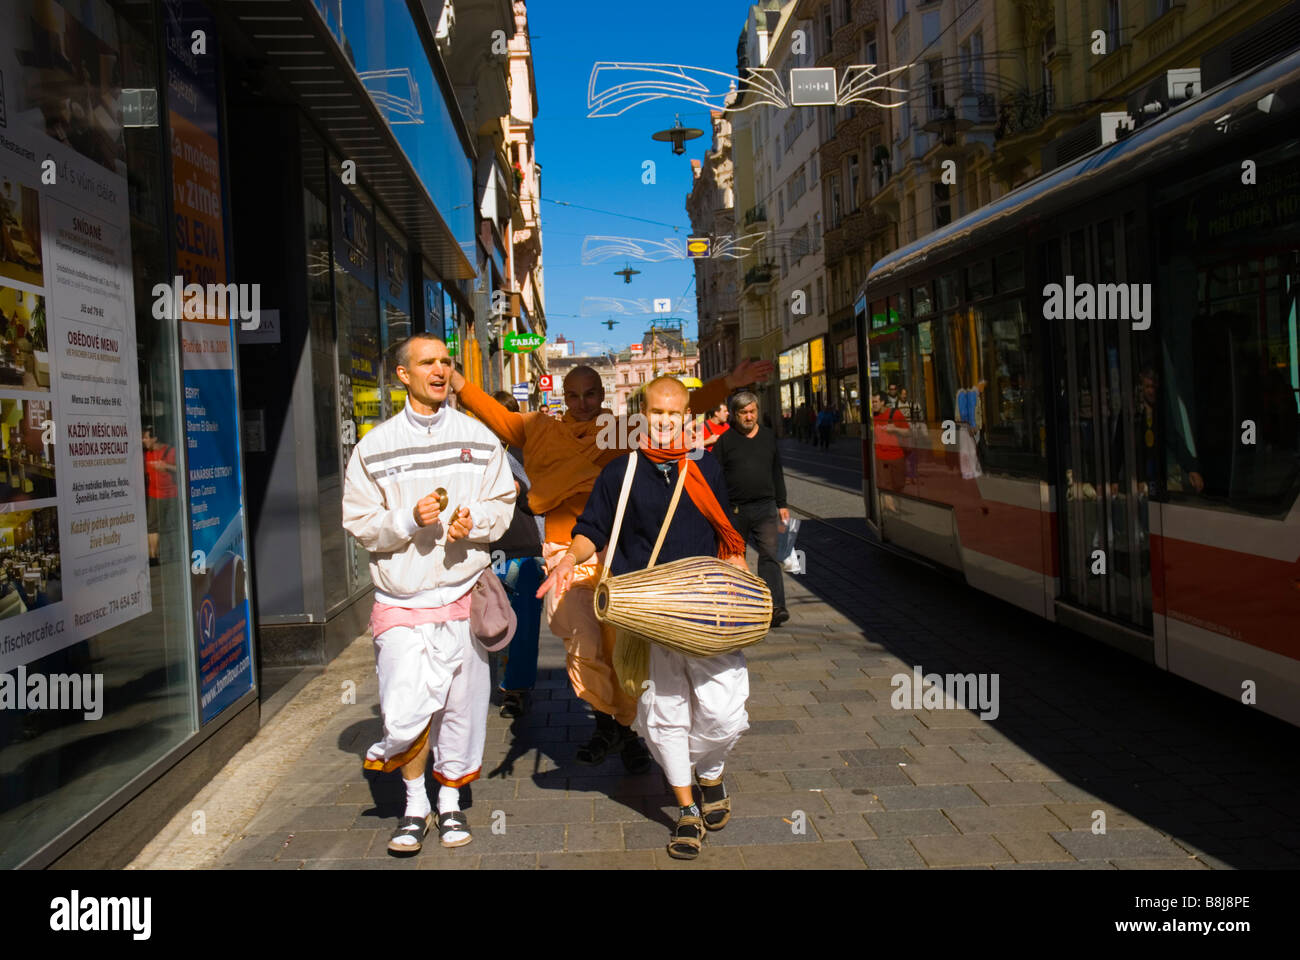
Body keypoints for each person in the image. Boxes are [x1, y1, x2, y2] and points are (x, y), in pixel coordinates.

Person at [449, 358, 771, 771]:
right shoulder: (539, 429)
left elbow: (673, 406)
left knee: (621, 647)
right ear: (562, 398)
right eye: (574, 395)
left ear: (603, 395)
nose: (582, 403)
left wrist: (728, 381)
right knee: (582, 642)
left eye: (591, 394)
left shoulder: (616, 431)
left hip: (616, 557)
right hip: (566, 554)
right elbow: (493, 412)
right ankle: (612, 719)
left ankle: (623, 725)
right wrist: (457, 380)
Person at [538, 377, 750, 861]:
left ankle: (711, 774)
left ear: (686, 418)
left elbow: (726, 529)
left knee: (724, 708)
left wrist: (736, 561)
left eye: (675, 414)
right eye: (657, 413)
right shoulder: (621, 471)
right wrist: (570, 559)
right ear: (641, 414)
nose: (666, 422)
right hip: (648, 613)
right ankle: (685, 808)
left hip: (704, 607)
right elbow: (592, 526)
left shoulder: (706, 467)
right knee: (664, 712)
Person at [342, 334, 516, 854]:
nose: (440, 370)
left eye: (445, 361)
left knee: (461, 709)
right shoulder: (374, 446)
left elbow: (503, 503)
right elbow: (358, 520)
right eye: (427, 363)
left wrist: (474, 521)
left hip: (463, 594)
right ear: (403, 375)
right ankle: (414, 802)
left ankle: (449, 803)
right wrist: (405, 520)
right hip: (402, 601)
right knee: (406, 710)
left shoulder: (479, 438)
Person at [711, 391, 790, 628]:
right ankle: (741, 609)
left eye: (752, 411)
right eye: (743, 412)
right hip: (735, 510)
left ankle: (776, 607)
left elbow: (776, 470)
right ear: (734, 415)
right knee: (735, 559)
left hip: (765, 507)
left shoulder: (767, 437)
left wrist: (782, 504)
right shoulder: (725, 441)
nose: (748, 416)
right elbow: (715, 477)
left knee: (770, 557)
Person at [489, 391, 545, 719]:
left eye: (505, 417)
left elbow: (544, 498)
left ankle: (516, 688)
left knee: (525, 625)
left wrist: (523, 487)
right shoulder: (476, 453)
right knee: (494, 621)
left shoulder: (531, 452)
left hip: (526, 548)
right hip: (490, 548)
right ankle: (498, 679)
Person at [142, 423, 177, 565]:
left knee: (171, 525)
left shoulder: (170, 451)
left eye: (145, 438)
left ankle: (173, 552)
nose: (143, 441)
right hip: (154, 495)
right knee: (152, 526)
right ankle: (153, 556)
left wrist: (166, 466)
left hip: (171, 495)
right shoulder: (146, 455)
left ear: (154, 438)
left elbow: (182, 468)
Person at [871, 393, 909, 491]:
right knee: (885, 488)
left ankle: (895, 505)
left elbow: (908, 432)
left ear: (883, 402)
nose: (873, 405)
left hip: (897, 457)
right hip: (881, 458)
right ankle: (888, 505)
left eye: (875, 402)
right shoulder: (872, 417)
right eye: (872, 402)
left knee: (899, 486)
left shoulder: (895, 413)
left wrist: (895, 429)